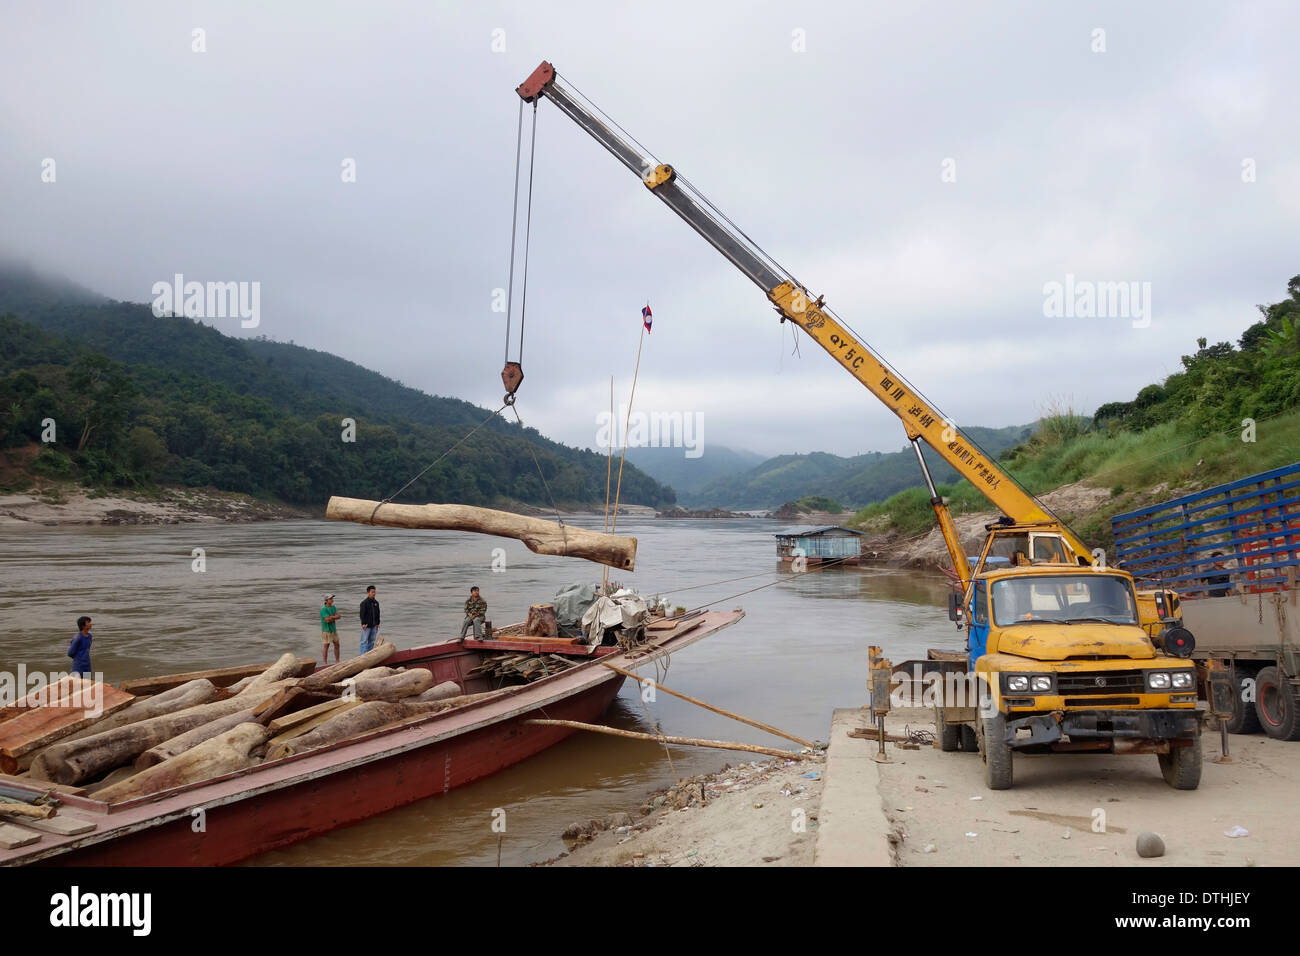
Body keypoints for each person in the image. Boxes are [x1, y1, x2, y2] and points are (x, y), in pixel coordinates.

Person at [319, 593, 341, 664]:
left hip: (333, 629)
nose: (332, 600)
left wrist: (332, 617)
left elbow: (338, 616)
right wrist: (333, 617)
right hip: (326, 630)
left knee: (337, 644)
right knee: (326, 646)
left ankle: (337, 661)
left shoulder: (333, 607)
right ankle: (325, 663)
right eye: (330, 599)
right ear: (326, 600)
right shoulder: (323, 609)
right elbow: (327, 620)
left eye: (332, 598)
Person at [359, 585, 381, 654]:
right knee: (364, 641)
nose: (374, 593)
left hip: (374, 625)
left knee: (372, 641)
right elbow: (362, 614)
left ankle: (369, 654)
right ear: (368, 593)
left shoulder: (376, 603)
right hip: (367, 625)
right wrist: (363, 623)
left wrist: (378, 623)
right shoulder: (364, 603)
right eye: (372, 592)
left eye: (374, 592)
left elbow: (378, 613)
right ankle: (362, 655)